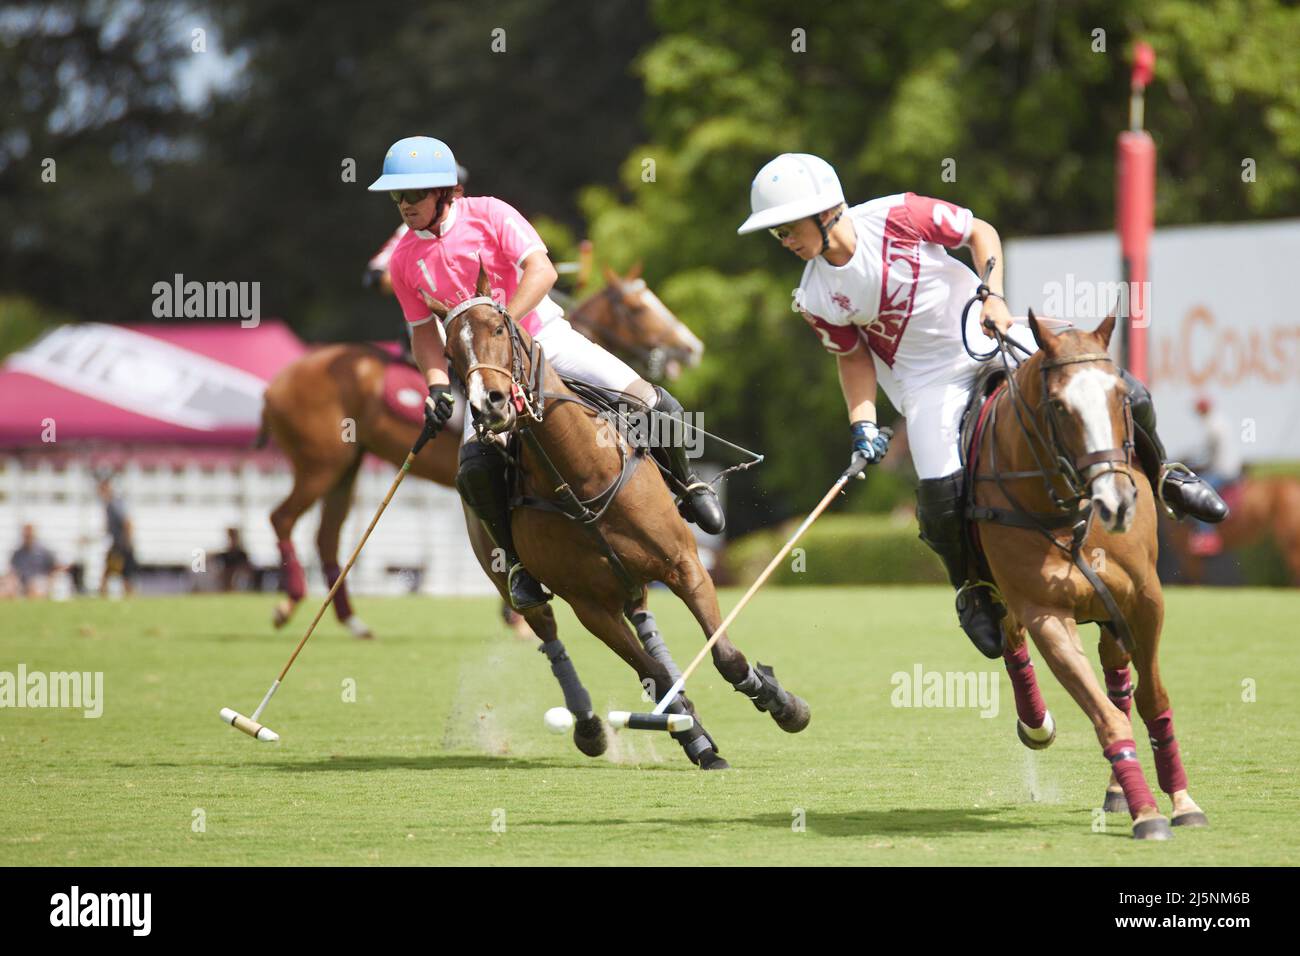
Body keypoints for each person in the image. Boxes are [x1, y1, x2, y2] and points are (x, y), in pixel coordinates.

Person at [737, 153, 1228, 658]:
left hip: (988, 328)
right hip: (927, 382)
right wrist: (862, 424)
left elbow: (980, 232)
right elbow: (853, 360)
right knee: (939, 494)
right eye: (777, 235)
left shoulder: (898, 215)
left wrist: (992, 294)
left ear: (826, 212)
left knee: (1124, 389)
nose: (785, 242)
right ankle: (973, 589)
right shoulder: (815, 295)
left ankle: (1166, 473)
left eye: (788, 228)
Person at [367, 136, 723, 611]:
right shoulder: (404, 258)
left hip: (545, 339)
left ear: (445, 192)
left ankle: (686, 486)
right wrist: (436, 385)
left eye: (413, 195)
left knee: (654, 401)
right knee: (473, 469)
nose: (404, 206)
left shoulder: (490, 213)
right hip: (483, 368)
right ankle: (517, 564)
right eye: (397, 197)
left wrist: (505, 324)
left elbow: (542, 270)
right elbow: (423, 334)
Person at [1187, 396, 1241, 556]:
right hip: (1229, 466)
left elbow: (1207, 454)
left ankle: (1207, 535)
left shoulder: (1212, 425)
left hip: (1223, 470)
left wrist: (1192, 462)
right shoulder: (1219, 421)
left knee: (1201, 494)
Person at [98, 478, 137, 596]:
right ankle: (128, 597)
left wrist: (127, 543)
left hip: (120, 545)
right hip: (119, 544)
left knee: (113, 574)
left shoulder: (113, 505)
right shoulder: (111, 505)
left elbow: (127, 522)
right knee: (120, 575)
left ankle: (106, 597)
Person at [10, 524, 57, 597]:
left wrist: (49, 583)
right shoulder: (17, 553)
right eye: (25, 535)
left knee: (35, 585)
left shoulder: (44, 552)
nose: (27, 537)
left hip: (40, 581)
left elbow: (53, 570)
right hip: (22, 582)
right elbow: (13, 572)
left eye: (29, 535)